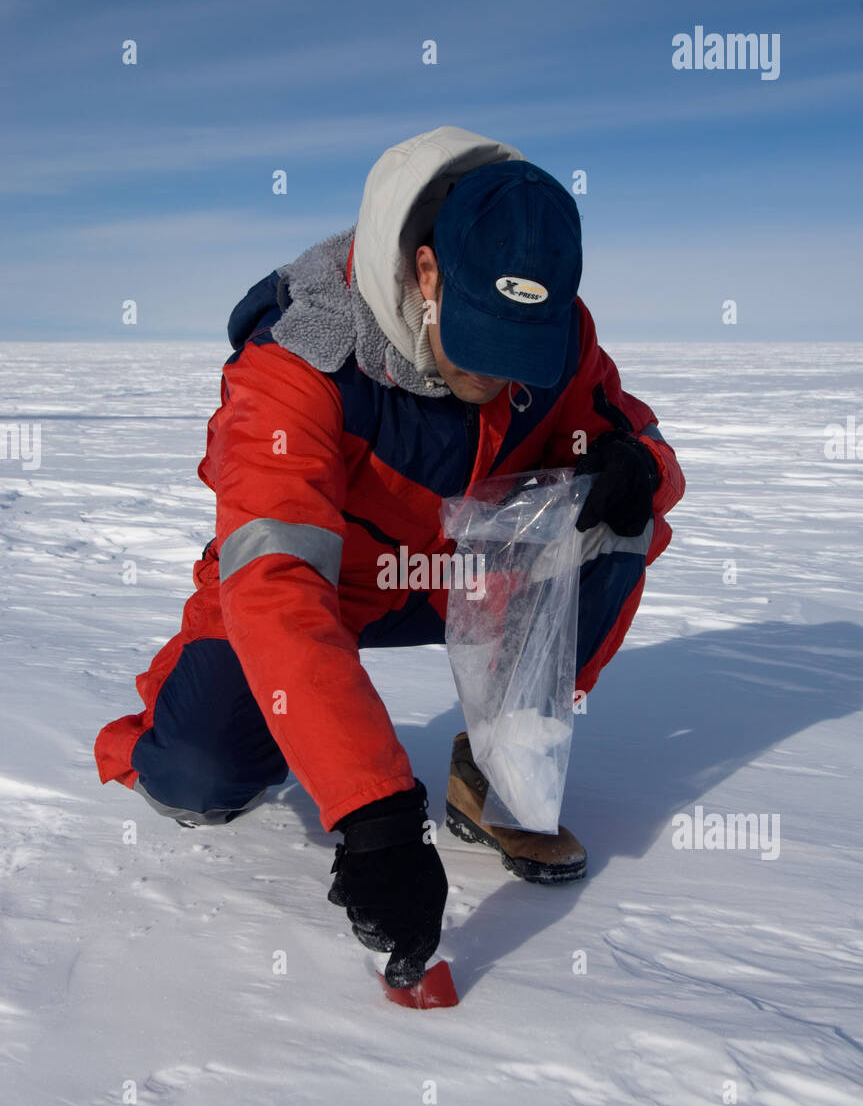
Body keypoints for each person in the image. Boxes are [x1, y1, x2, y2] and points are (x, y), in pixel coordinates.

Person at [94, 126, 685, 989]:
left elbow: (629, 430)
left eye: (525, 351)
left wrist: (639, 464)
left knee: (617, 522)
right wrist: (372, 814)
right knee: (199, 776)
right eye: (482, 343)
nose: (499, 377)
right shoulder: (298, 361)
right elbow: (275, 582)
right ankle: (175, 735)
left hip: (463, 580)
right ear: (427, 272)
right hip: (319, 589)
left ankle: (496, 772)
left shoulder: (560, 335)